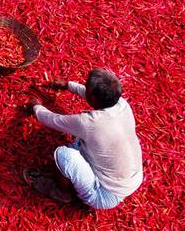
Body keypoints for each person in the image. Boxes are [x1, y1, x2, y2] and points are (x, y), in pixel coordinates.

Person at [25, 68, 144, 210]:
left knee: (65, 155)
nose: (84, 88)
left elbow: (53, 120)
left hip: (103, 194)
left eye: (86, 87)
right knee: (85, 138)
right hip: (132, 179)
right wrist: (68, 85)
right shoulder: (122, 105)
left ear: (92, 97)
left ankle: (62, 192)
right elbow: (96, 96)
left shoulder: (89, 123)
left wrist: (36, 107)